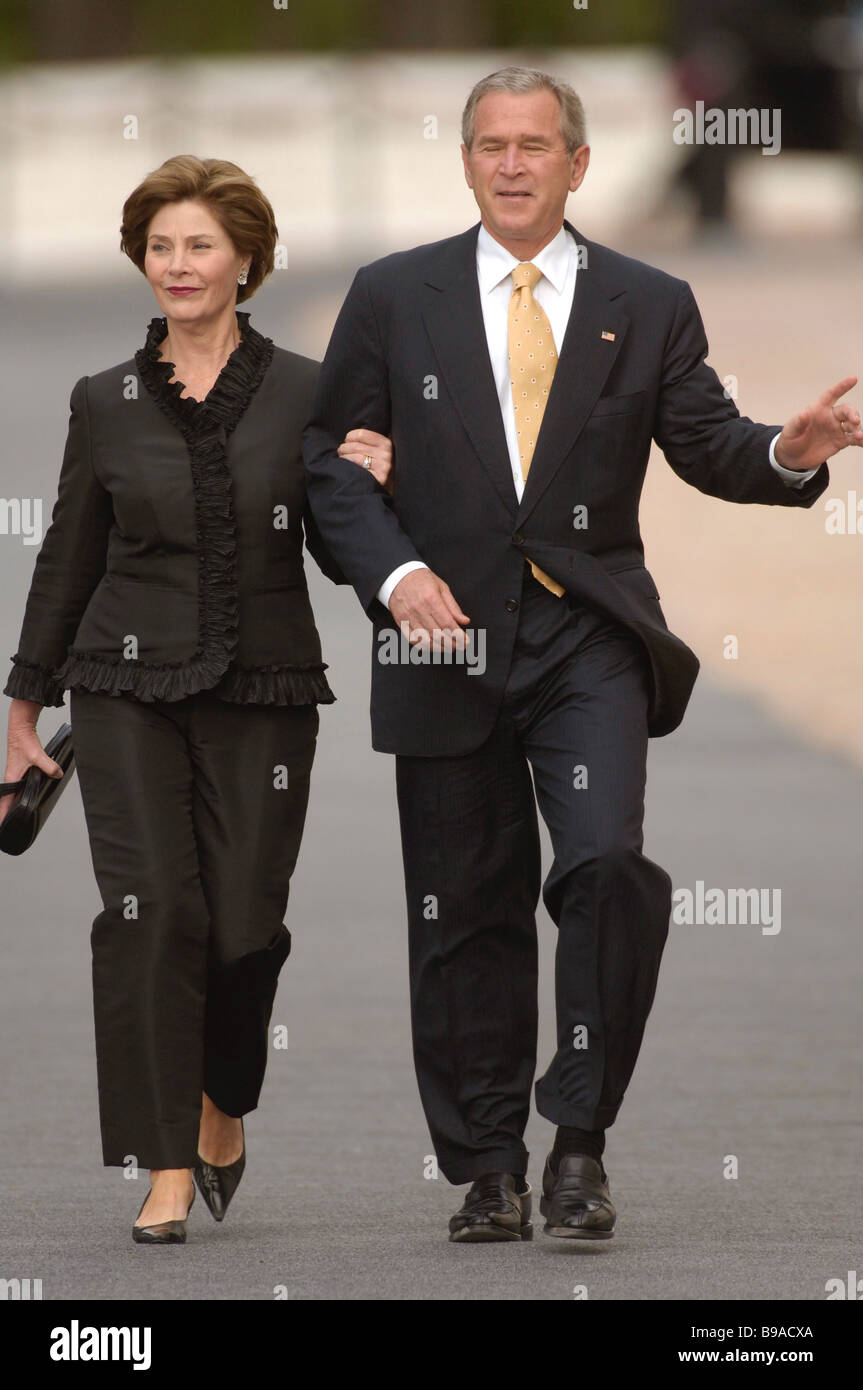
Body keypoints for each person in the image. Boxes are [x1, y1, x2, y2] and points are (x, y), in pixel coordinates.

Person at [303, 67, 862, 1243]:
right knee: (464, 914)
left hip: (588, 637)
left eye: (535, 145)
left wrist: (789, 454)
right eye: (491, 145)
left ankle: (579, 1142)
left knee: (606, 867)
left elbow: (709, 445)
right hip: (440, 634)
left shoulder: (646, 301)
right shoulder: (390, 296)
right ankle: (487, 1168)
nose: (512, 164)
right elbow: (332, 473)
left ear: (578, 164)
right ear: (466, 162)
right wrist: (398, 579)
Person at [1, 155, 392, 1245]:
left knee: (242, 931)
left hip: (264, 692)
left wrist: (376, 487)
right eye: (160, 247)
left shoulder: (312, 391)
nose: (178, 265)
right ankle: (165, 1159)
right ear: (143, 262)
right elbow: (66, 558)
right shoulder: (104, 400)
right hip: (121, 687)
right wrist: (23, 709)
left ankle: (224, 1101)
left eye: (199, 246)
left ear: (246, 261)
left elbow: (339, 542)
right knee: (149, 915)